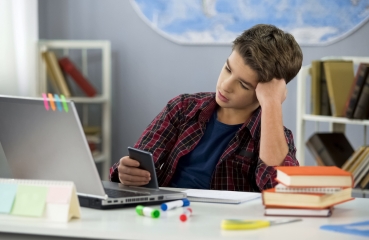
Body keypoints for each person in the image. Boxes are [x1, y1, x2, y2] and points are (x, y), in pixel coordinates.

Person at [109, 24, 303, 192]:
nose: (226, 85)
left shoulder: (276, 137)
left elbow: (280, 191)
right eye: (228, 69)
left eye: (243, 85)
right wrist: (125, 172)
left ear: (266, 91)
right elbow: (137, 161)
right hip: (169, 215)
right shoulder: (183, 108)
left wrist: (272, 104)